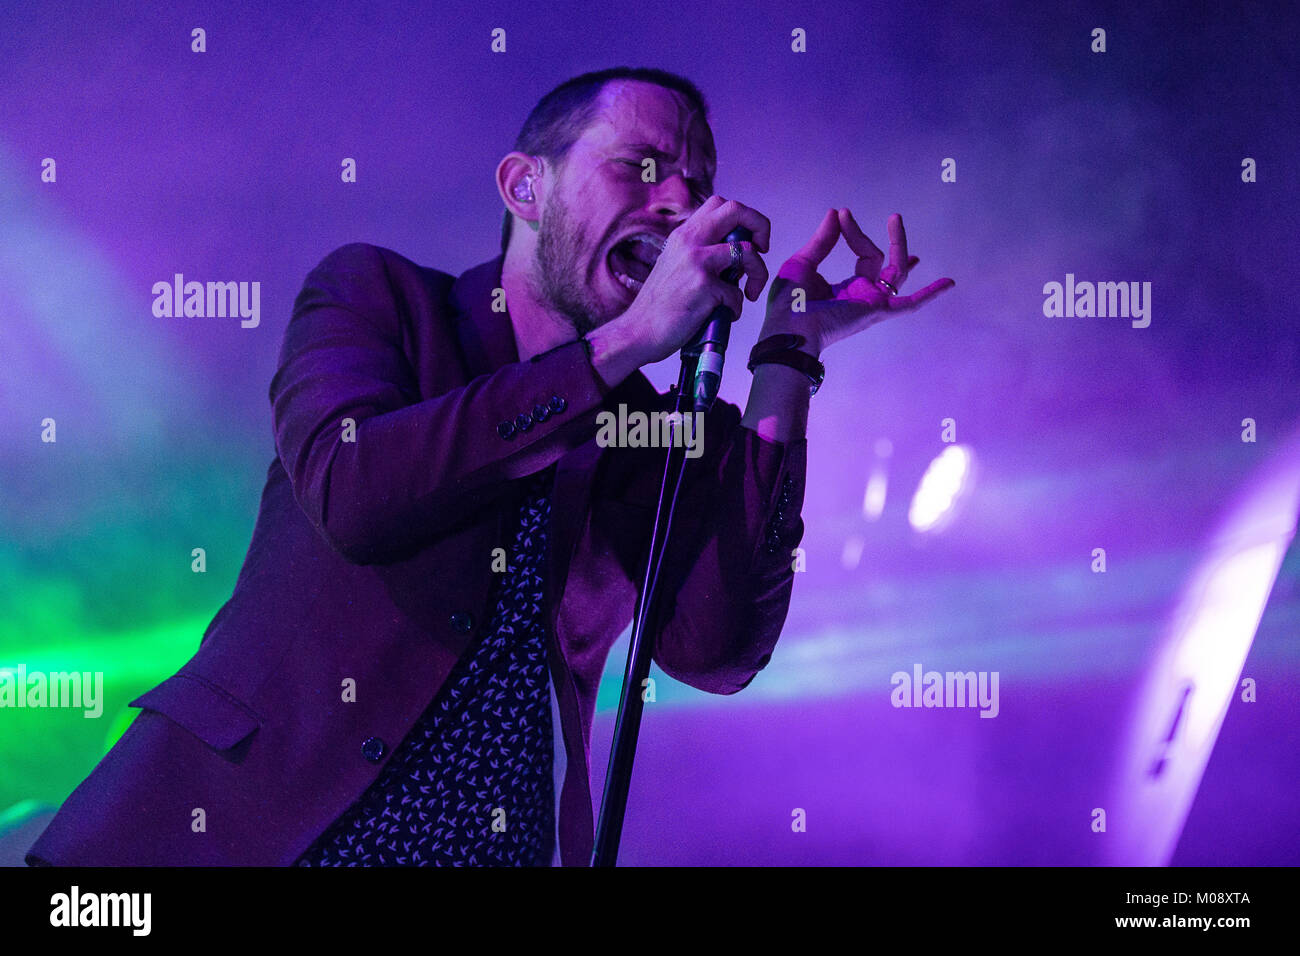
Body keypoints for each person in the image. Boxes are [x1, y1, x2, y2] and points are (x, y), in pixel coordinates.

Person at [26, 66, 952, 867]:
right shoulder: (380, 298)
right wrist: (627, 341)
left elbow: (712, 652)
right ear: (525, 188)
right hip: (233, 837)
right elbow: (358, 494)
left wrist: (787, 356)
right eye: (641, 167)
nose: (680, 203)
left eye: (697, 182)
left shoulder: (655, 432)